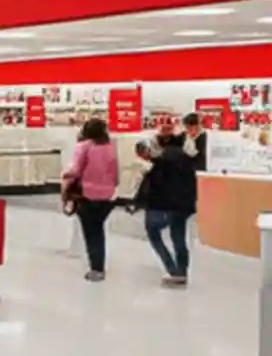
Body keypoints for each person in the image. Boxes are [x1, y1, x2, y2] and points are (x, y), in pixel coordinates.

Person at [62, 118, 120, 282]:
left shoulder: (84, 146)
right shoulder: (109, 147)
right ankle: (99, 265)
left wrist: (65, 180)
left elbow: (75, 170)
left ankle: (96, 269)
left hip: (87, 194)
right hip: (107, 196)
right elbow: (115, 174)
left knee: (90, 233)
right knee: (99, 231)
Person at [134, 138, 198, 285]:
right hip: (184, 205)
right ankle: (182, 272)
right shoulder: (185, 159)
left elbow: (155, 188)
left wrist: (140, 202)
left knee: (152, 231)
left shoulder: (160, 164)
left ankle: (172, 269)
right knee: (179, 237)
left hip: (165, 206)